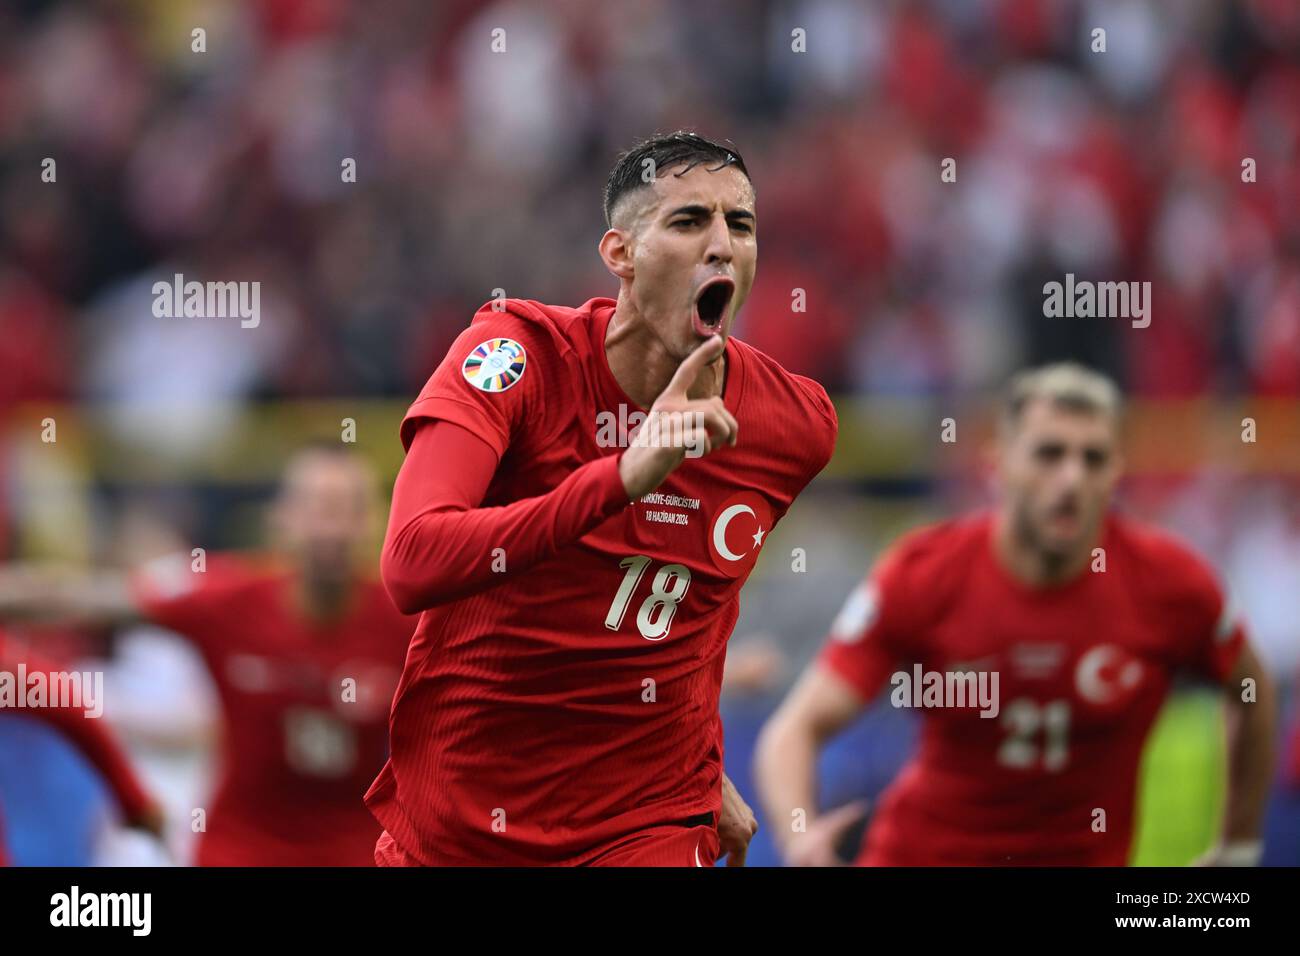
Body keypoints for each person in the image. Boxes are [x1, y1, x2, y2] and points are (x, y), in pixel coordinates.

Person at [367, 131, 838, 866]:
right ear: (619, 253)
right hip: (460, 824)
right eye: (688, 222)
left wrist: (705, 771)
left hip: (643, 824)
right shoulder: (513, 356)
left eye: (739, 225)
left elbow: (697, 616)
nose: (721, 245)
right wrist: (620, 477)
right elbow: (412, 561)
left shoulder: (794, 426)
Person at [755, 363, 1276, 866]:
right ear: (999, 460)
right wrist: (801, 836)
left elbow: (1252, 692)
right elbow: (795, 730)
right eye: (1049, 454)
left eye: (1093, 458)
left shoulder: (1170, 584)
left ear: (1117, 469)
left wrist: (1239, 845)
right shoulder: (925, 573)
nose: (1071, 478)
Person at [0, 444, 414, 865]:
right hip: (241, 847)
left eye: (348, 509)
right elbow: (86, 599)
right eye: (319, 508)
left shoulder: (406, 621)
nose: (331, 529)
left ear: (375, 521)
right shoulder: (231, 602)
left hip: (354, 849)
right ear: (281, 519)